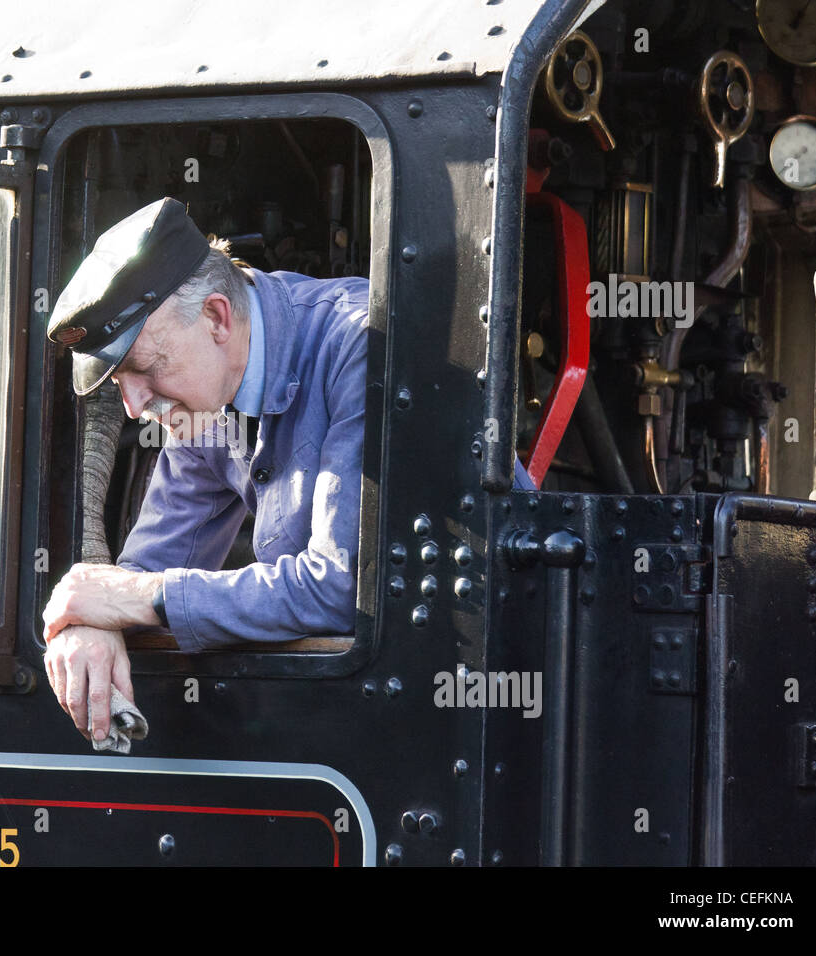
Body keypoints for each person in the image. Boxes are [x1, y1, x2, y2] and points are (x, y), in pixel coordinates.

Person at [41, 197, 535, 745]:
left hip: (494, 690)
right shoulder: (202, 406)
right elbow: (139, 575)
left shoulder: (364, 347)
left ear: (215, 318)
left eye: (145, 368)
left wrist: (130, 600)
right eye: (117, 383)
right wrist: (89, 625)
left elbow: (344, 587)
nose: (134, 406)